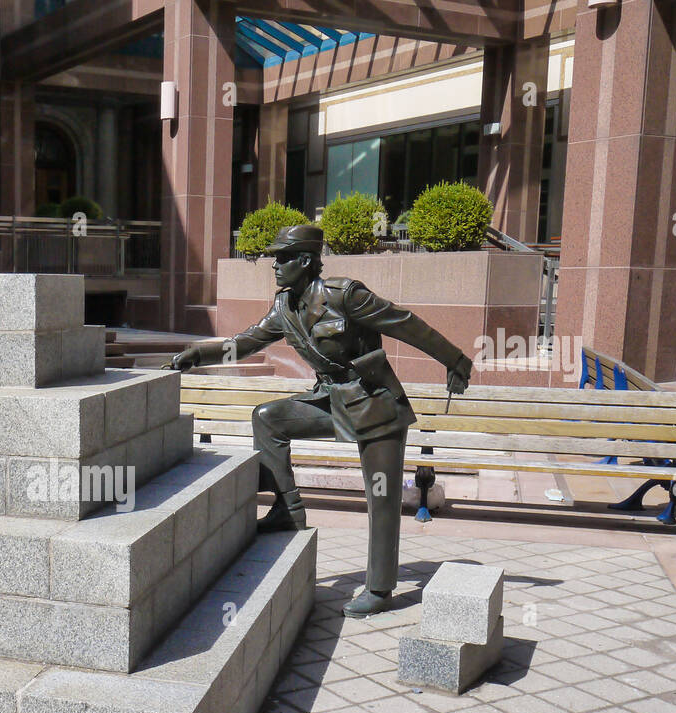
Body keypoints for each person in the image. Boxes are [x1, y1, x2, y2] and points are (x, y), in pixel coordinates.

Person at [169, 224, 472, 618]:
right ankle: (288, 509)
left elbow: (406, 324)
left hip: (373, 404)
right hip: (329, 401)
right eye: (273, 258)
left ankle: (379, 589)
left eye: (282, 258)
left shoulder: (345, 295)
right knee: (268, 419)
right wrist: (198, 354)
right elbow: (246, 343)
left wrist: (456, 361)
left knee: (380, 496)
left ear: (306, 261)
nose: (274, 266)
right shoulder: (284, 308)